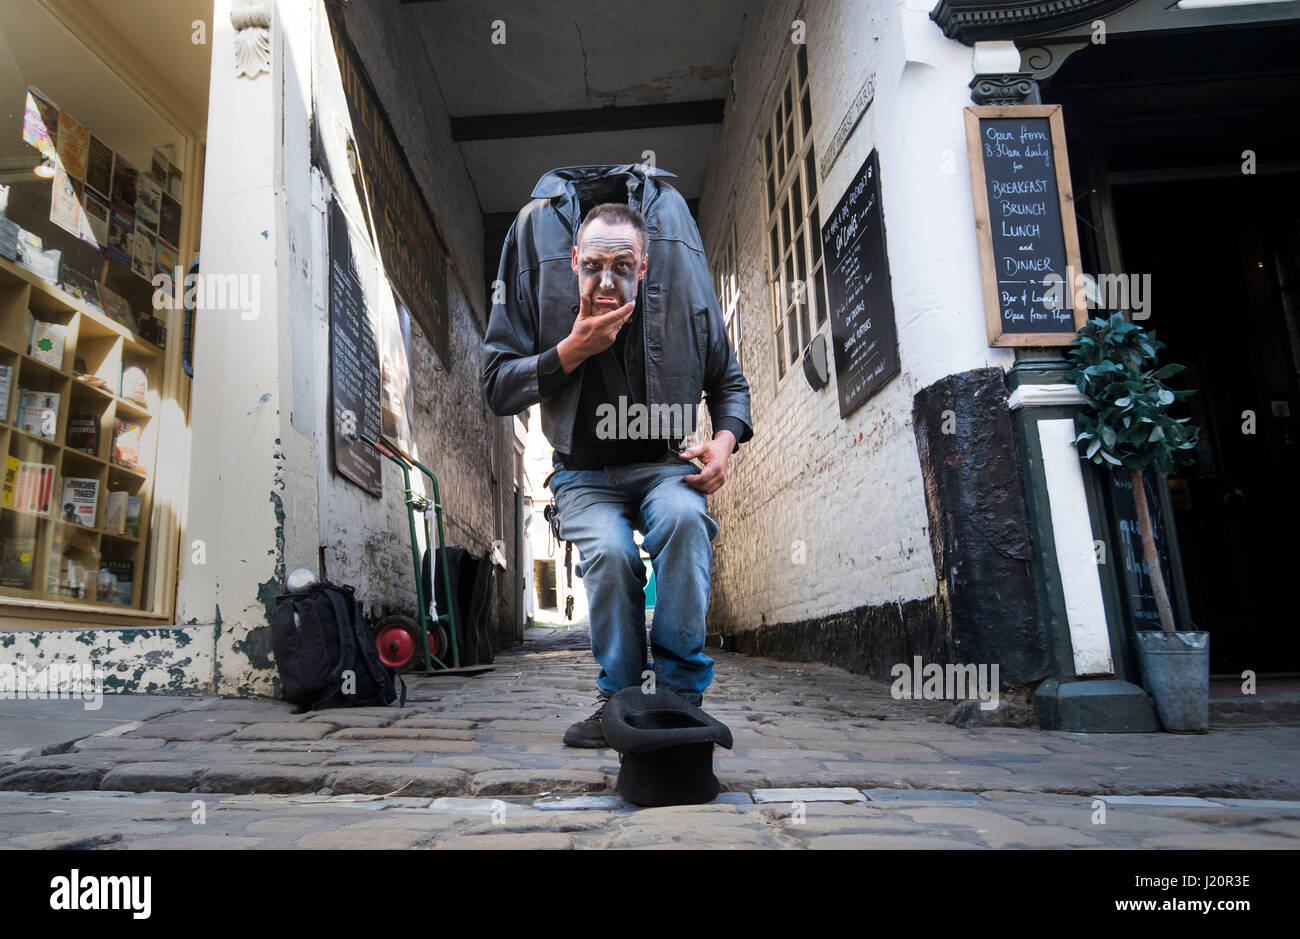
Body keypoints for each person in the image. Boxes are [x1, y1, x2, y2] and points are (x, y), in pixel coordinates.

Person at [483, 185, 752, 748]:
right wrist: (571, 349)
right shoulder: (543, 303)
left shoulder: (683, 303)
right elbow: (497, 386)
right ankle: (621, 701)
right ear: (574, 262)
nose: (606, 283)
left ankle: (679, 701)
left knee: (683, 521)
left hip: (662, 464)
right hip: (581, 473)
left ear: (644, 266)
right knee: (610, 552)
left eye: (623, 268)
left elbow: (729, 383)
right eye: (595, 267)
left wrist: (724, 442)